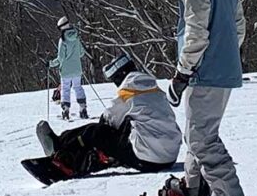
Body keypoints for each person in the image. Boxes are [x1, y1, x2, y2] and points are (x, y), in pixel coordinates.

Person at [163, 0, 246, 196]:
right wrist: (226, 57)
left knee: (201, 136)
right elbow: (239, 26)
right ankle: (196, 185)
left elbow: (196, 31)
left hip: (204, 70)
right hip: (224, 68)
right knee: (198, 131)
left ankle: (228, 194)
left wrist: (183, 72)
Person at [33, 53, 183, 180]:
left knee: (95, 132)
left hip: (149, 158)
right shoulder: (155, 89)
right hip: (170, 156)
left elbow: (107, 121)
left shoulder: (128, 91)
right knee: (127, 128)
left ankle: (60, 147)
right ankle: (88, 158)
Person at [49, 18, 89, 120]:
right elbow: (81, 53)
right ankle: (83, 109)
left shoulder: (63, 40)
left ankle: (65, 110)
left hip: (66, 71)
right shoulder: (76, 38)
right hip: (77, 69)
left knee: (66, 89)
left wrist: (51, 64)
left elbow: (60, 58)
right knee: (78, 88)